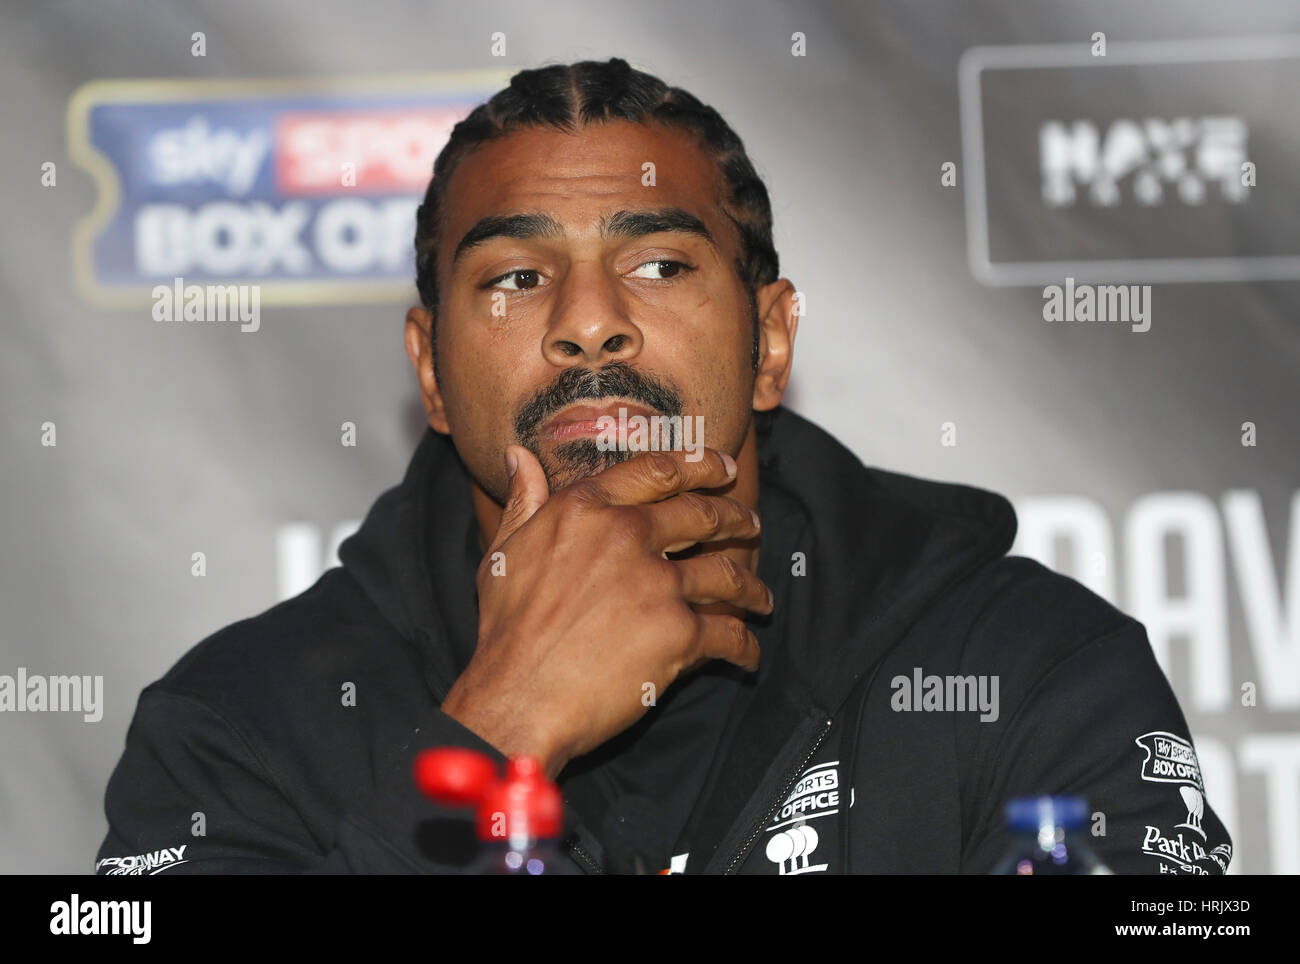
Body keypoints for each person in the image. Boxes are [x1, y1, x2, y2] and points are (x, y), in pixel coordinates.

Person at [95, 57, 1231, 875]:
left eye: (659, 266)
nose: (589, 322)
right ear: (430, 371)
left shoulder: (1026, 668)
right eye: (516, 277)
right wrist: (493, 739)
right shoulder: (239, 728)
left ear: (770, 343)